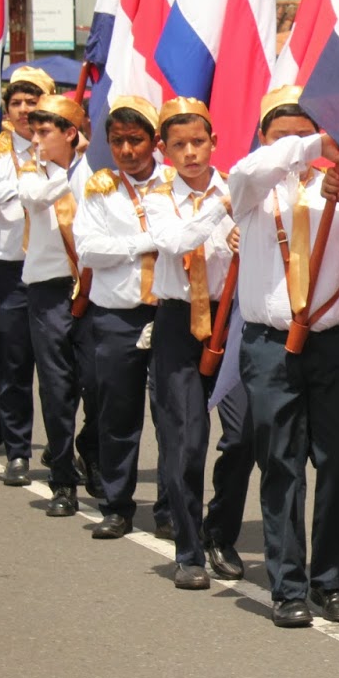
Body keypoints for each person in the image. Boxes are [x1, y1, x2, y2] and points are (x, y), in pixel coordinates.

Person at [228, 85, 339, 629]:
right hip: (270, 344)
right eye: (281, 135)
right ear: (263, 140)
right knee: (280, 463)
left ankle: (330, 579)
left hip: (334, 341)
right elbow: (250, 172)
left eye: (304, 132)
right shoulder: (251, 191)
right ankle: (287, 584)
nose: (295, 146)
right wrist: (310, 146)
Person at [141, 97, 253, 590]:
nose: (190, 153)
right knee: (184, 442)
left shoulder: (236, 190)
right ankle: (186, 551)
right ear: (164, 149)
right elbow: (177, 241)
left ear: (214, 142)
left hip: (231, 319)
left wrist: (242, 241)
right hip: (179, 320)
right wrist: (218, 215)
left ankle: (219, 532)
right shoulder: (157, 195)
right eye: (179, 145)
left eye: (199, 142)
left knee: (246, 434)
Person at [74, 96, 170, 539]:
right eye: (117, 142)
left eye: (136, 140)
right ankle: (116, 504)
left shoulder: (176, 183)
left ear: (155, 141)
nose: (127, 150)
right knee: (117, 414)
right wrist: (143, 244)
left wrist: (132, 241)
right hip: (116, 317)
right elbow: (89, 249)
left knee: (172, 415)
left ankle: (172, 507)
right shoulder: (100, 187)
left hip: (170, 315)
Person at [0, 66, 53, 479]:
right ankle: (18, 450)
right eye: (16, 102)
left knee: (59, 369)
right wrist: (25, 185)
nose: (23, 110)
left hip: (54, 269)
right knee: (13, 364)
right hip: (10, 269)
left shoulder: (60, 144)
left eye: (31, 102)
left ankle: (62, 447)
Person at [17, 94, 93, 517]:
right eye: (35, 130)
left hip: (91, 287)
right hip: (49, 290)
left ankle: (90, 448)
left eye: (47, 131)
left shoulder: (92, 173)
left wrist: (84, 165)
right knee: (58, 388)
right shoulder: (33, 171)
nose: (38, 139)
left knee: (100, 383)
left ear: (70, 133)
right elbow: (38, 199)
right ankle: (62, 479)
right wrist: (71, 169)